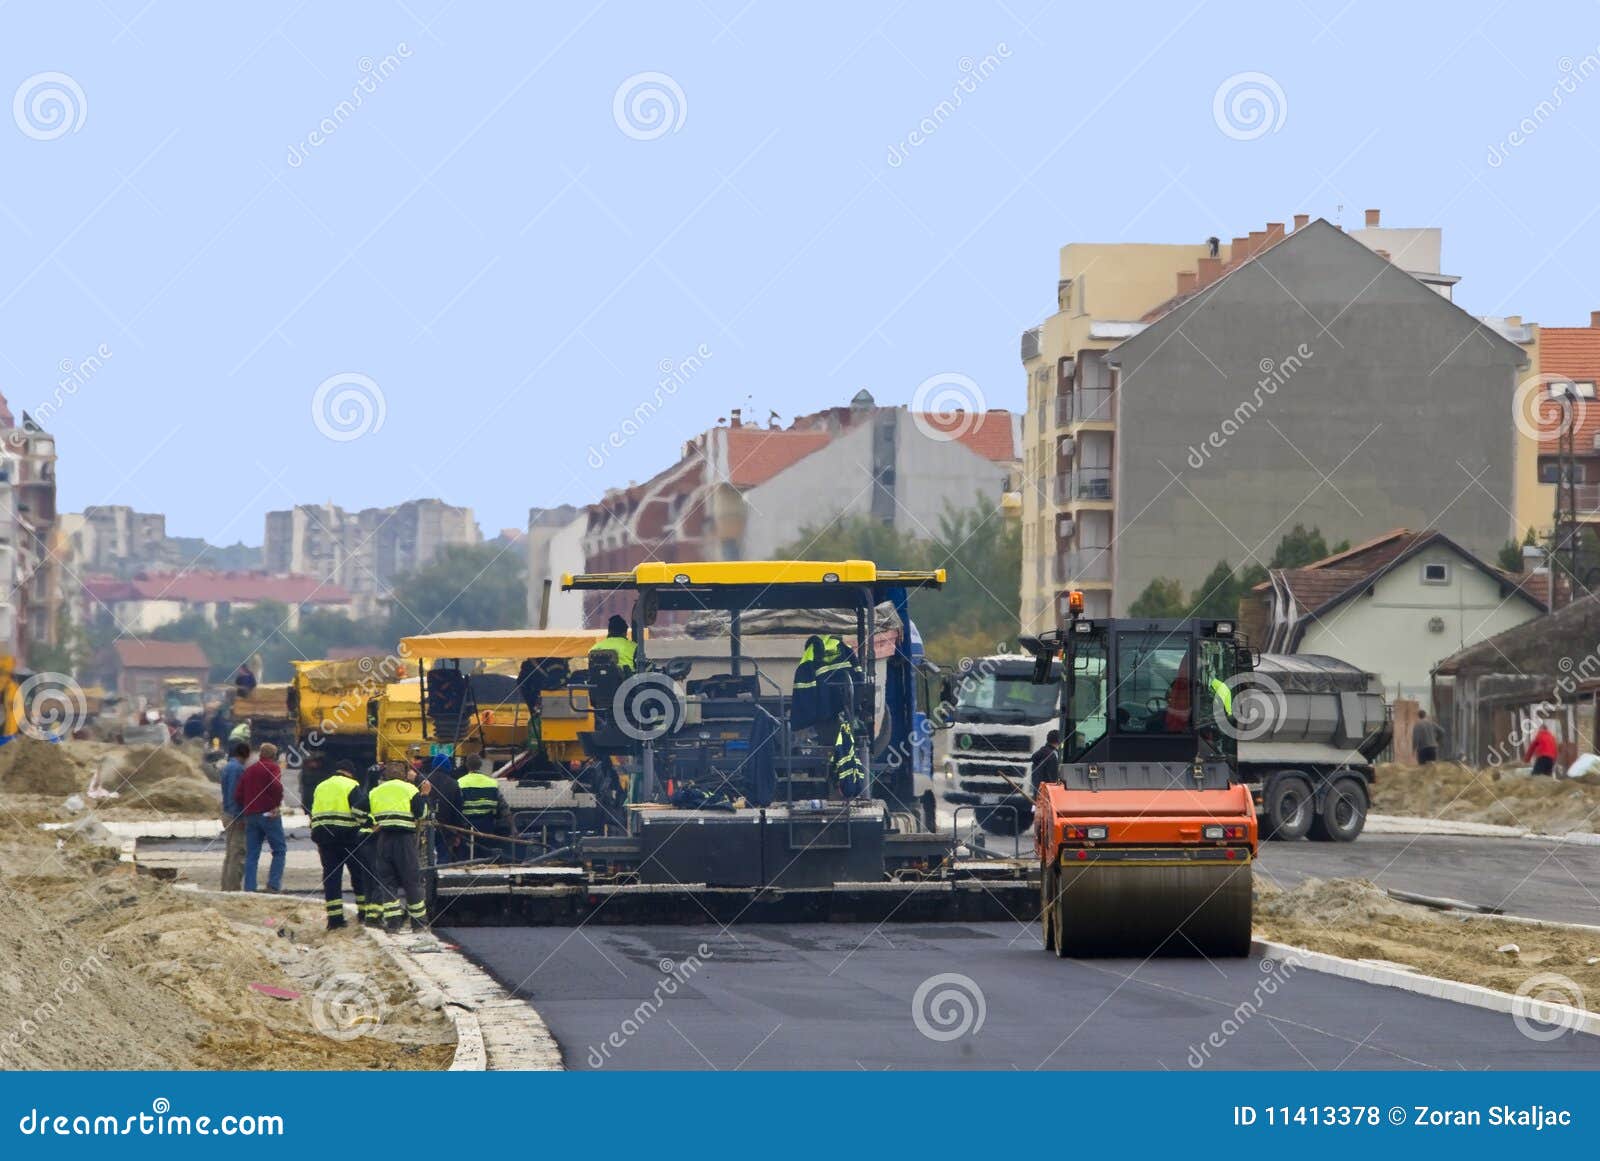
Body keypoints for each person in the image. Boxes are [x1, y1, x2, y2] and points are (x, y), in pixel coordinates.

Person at [369, 763, 430, 932]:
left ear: (386, 776)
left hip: (383, 838)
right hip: (404, 840)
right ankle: (418, 923)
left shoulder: (375, 791)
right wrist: (424, 795)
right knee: (411, 880)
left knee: (388, 883)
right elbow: (422, 813)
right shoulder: (410, 790)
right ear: (404, 775)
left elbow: (362, 812)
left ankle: (393, 923)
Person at [309, 763, 369, 931]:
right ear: (350, 773)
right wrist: (369, 823)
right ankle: (364, 913)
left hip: (324, 837)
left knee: (331, 877)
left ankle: (334, 919)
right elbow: (358, 812)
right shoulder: (352, 785)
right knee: (358, 874)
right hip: (347, 837)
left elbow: (314, 811)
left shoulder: (321, 786)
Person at [237, 742, 287, 893]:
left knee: (252, 853)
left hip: (251, 815)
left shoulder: (250, 770)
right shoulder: (272, 768)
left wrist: (247, 807)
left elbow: (238, 794)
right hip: (268, 814)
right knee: (279, 850)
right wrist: (275, 805)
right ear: (274, 756)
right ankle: (273, 885)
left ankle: (250, 887)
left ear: (260, 754)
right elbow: (277, 787)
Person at [457, 761, 506, 861]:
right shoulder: (492, 783)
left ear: (467, 766)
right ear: (480, 766)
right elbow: (503, 805)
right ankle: (485, 871)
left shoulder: (460, 782)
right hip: (486, 823)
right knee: (486, 853)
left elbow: (457, 804)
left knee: (466, 853)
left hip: (467, 824)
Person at [218, 741, 250, 892]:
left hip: (227, 813)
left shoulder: (228, 767)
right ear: (244, 755)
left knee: (230, 853)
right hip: (234, 815)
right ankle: (232, 889)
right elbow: (234, 793)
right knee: (237, 853)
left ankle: (226, 887)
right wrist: (239, 816)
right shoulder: (237, 769)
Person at [425, 754, 464, 866]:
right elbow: (458, 811)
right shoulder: (453, 784)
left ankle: (428, 880)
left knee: (427, 858)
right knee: (444, 859)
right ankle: (440, 880)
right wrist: (458, 833)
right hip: (447, 830)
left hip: (427, 829)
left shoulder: (425, 782)